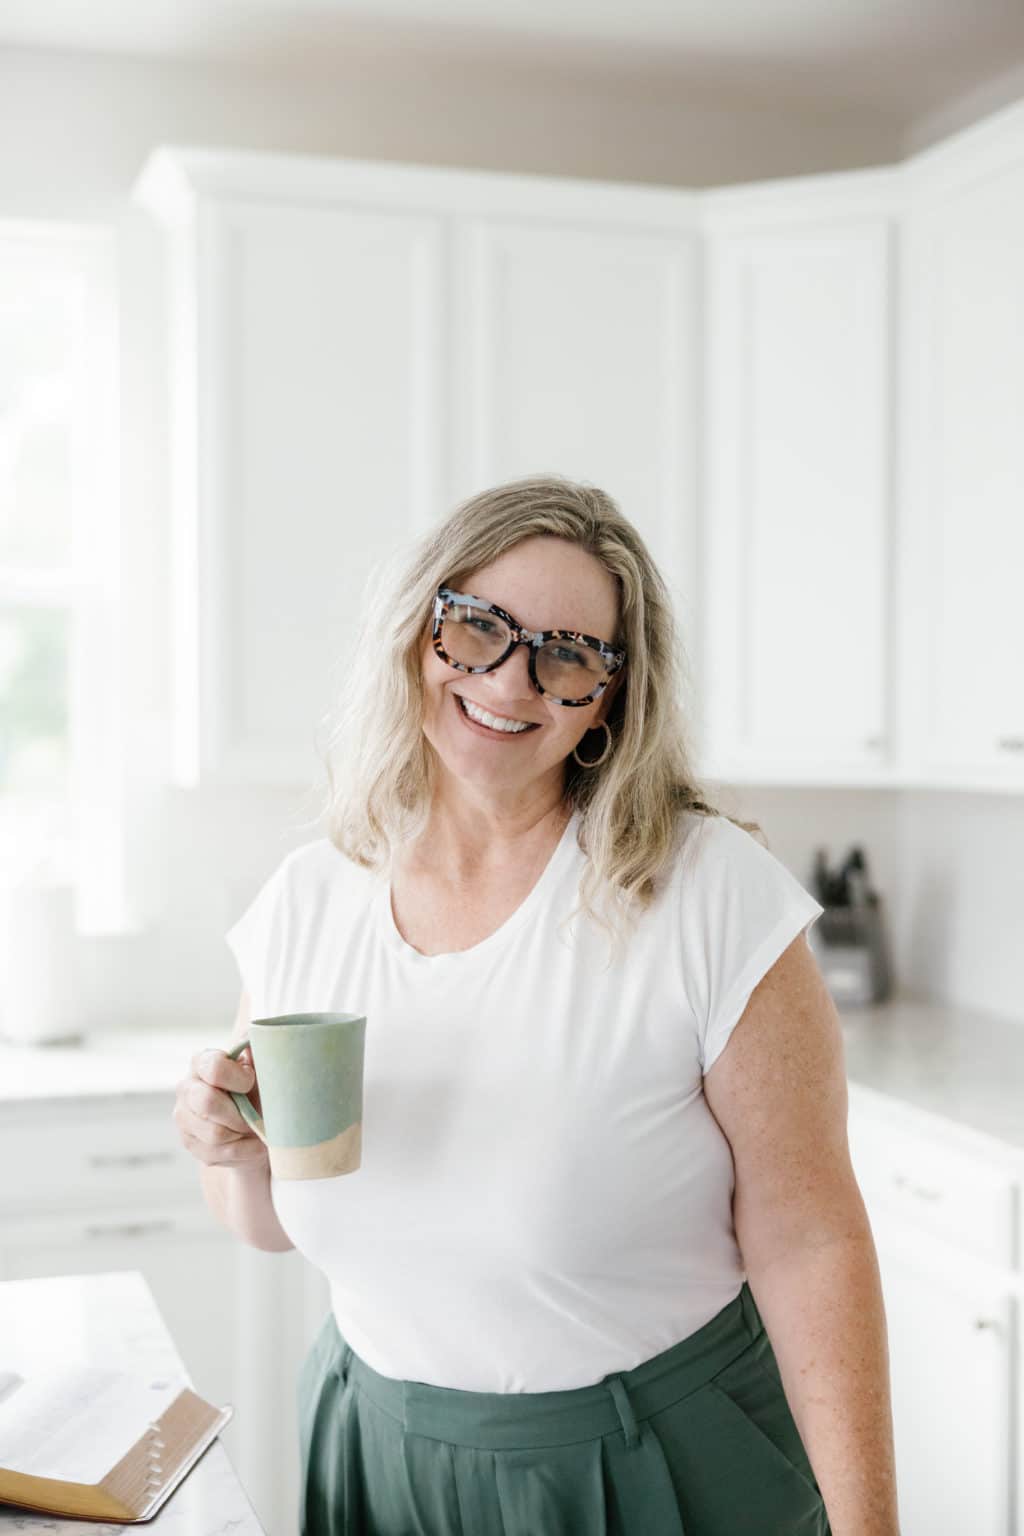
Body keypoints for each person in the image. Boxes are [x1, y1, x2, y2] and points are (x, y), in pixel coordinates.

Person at [174, 475, 901, 1536]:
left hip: (651, 1464)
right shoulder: (309, 901)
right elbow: (273, 1225)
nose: (511, 681)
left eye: (567, 654)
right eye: (477, 627)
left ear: (609, 697)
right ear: (416, 633)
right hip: (373, 1450)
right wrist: (229, 1150)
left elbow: (811, 1241)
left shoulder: (709, 897)